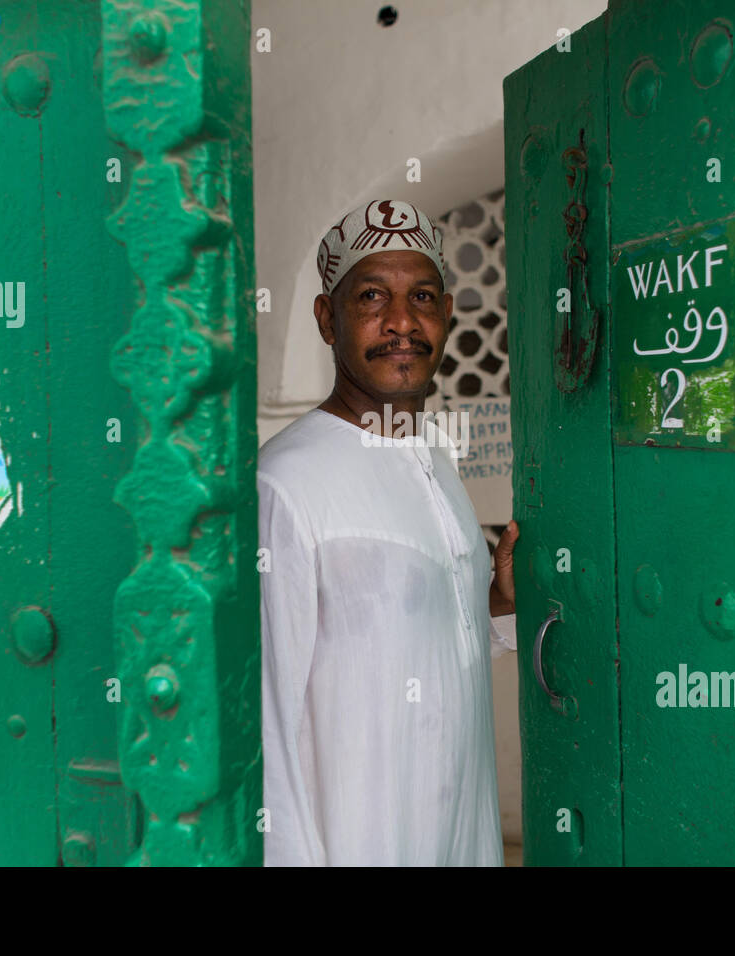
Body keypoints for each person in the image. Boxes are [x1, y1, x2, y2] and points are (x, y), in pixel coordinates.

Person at [258, 198, 520, 866]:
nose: (401, 323)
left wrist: (495, 604)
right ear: (327, 319)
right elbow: (267, 721)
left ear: (448, 313)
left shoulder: (430, 456)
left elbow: (414, 651)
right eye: (372, 296)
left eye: (422, 297)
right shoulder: (284, 484)